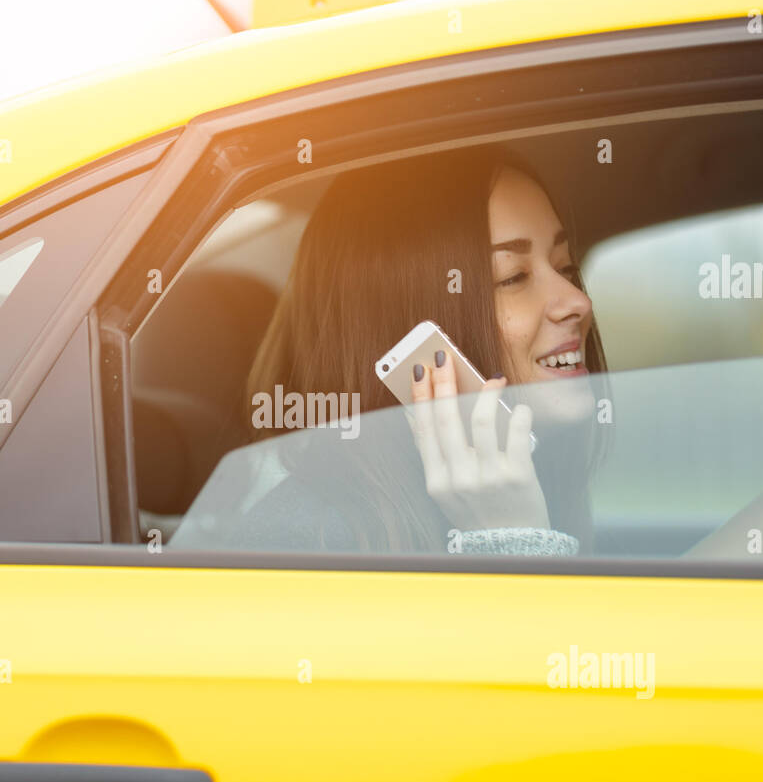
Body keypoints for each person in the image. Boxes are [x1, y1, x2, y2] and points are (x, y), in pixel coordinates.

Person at [236, 144, 609, 555]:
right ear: (410, 327)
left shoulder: (532, 484)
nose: (578, 301)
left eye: (565, 267)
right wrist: (513, 542)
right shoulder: (302, 541)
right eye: (513, 277)